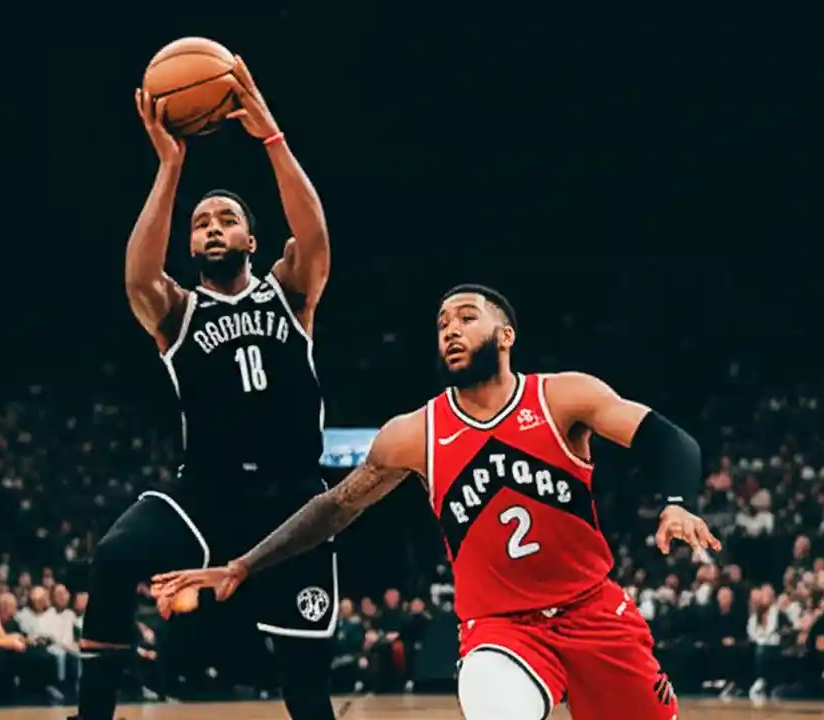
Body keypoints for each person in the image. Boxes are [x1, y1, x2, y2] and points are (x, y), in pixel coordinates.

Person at [152, 285, 721, 720]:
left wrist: (677, 502)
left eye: (467, 317)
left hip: (593, 614)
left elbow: (669, 439)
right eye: (442, 322)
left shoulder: (563, 395)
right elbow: (333, 509)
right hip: (500, 631)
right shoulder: (414, 433)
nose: (450, 329)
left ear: (505, 335)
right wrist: (242, 564)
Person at [72, 54, 335, 720]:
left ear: (251, 237)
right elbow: (137, 276)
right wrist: (169, 167)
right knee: (114, 556)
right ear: (191, 247)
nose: (212, 226)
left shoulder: (289, 292)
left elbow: (315, 234)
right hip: (207, 491)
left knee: (306, 691)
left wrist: (271, 135)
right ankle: (94, 713)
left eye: (225, 219)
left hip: (295, 502)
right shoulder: (177, 311)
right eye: (201, 223)